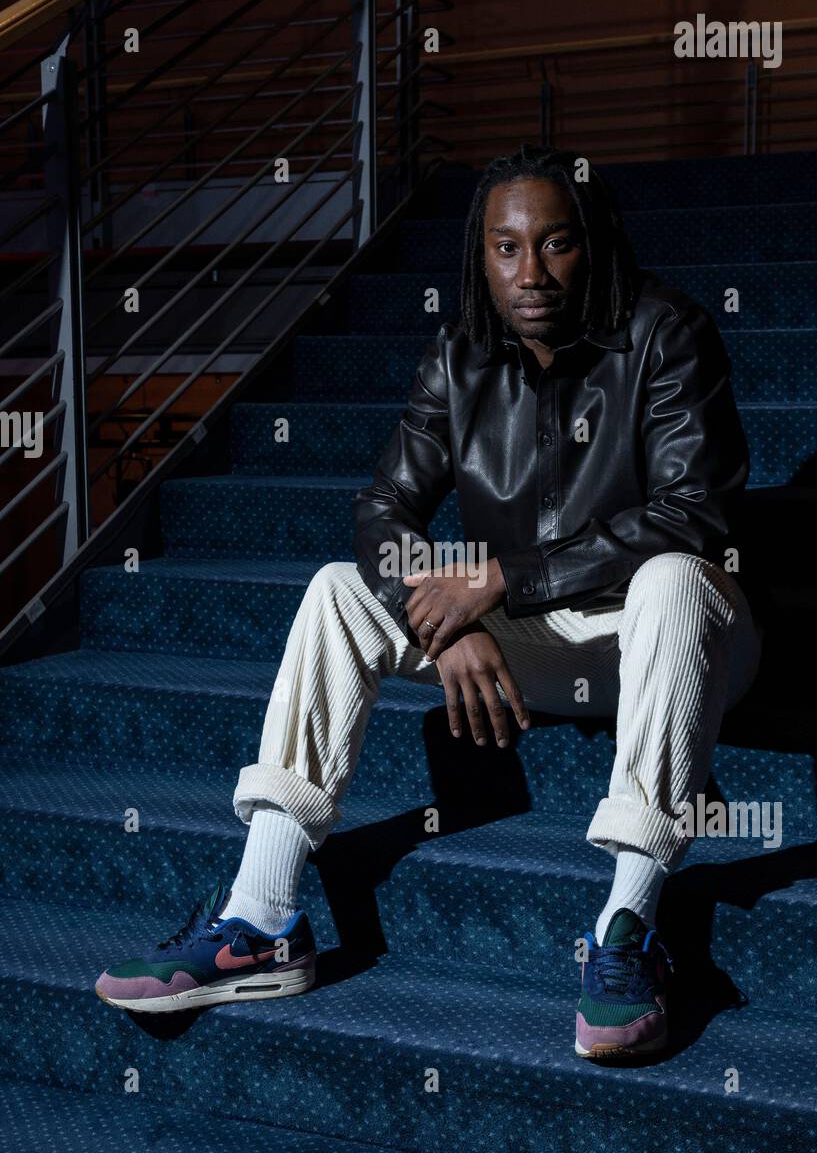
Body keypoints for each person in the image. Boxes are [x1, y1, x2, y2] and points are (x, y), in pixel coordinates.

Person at [95, 144, 763, 1059]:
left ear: (592, 243)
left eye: (556, 245)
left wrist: (498, 582)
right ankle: (262, 917)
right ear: (480, 257)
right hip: (547, 640)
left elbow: (696, 516)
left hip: (682, 637)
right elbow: (383, 507)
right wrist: (445, 624)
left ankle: (627, 928)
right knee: (338, 590)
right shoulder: (459, 357)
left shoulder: (667, 332)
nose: (531, 273)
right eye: (507, 249)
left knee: (672, 578)